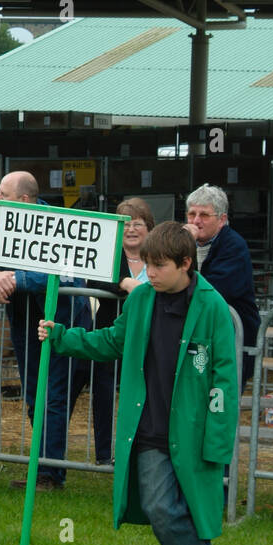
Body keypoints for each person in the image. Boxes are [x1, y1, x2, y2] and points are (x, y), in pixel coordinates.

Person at [37, 222, 246, 545]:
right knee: (161, 509)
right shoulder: (141, 300)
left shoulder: (213, 306)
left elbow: (224, 379)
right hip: (148, 429)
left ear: (186, 264)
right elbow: (112, 341)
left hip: (195, 433)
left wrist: (218, 440)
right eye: (147, 265)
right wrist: (64, 337)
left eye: (159, 266)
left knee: (181, 514)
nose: (148, 273)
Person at [0, 170, 91, 491]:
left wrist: (15, 279)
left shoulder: (59, 222)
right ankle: (44, 467)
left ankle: (52, 472)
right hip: (23, 319)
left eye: (3, 194)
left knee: (55, 395)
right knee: (34, 393)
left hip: (62, 322)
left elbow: (67, 274)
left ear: (24, 200)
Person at [88, 197, 155, 464]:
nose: (131, 229)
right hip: (110, 333)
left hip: (149, 338)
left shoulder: (158, 257)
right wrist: (123, 283)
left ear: (149, 227)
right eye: (125, 224)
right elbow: (91, 278)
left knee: (145, 395)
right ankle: (104, 454)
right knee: (103, 395)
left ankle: (140, 451)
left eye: (137, 224)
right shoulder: (108, 254)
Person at [185, 184, 259, 385]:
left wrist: (184, 248)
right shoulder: (181, 242)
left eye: (204, 215)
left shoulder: (234, 246)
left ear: (222, 220)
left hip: (229, 339)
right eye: (192, 214)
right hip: (196, 337)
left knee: (221, 399)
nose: (196, 221)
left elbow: (215, 290)